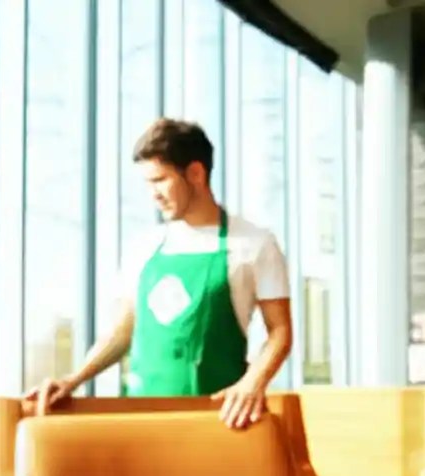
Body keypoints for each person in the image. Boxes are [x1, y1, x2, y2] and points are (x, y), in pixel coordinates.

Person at [27, 118, 292, 429]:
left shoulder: (254, 244)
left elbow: (280, 332)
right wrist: (73, 380)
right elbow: (122, 331)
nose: (153, 194)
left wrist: (252, 382)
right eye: (148, 183)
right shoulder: (144, 247)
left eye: (160, 180)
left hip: (219, 421)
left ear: (196, 173)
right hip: (142, 419)